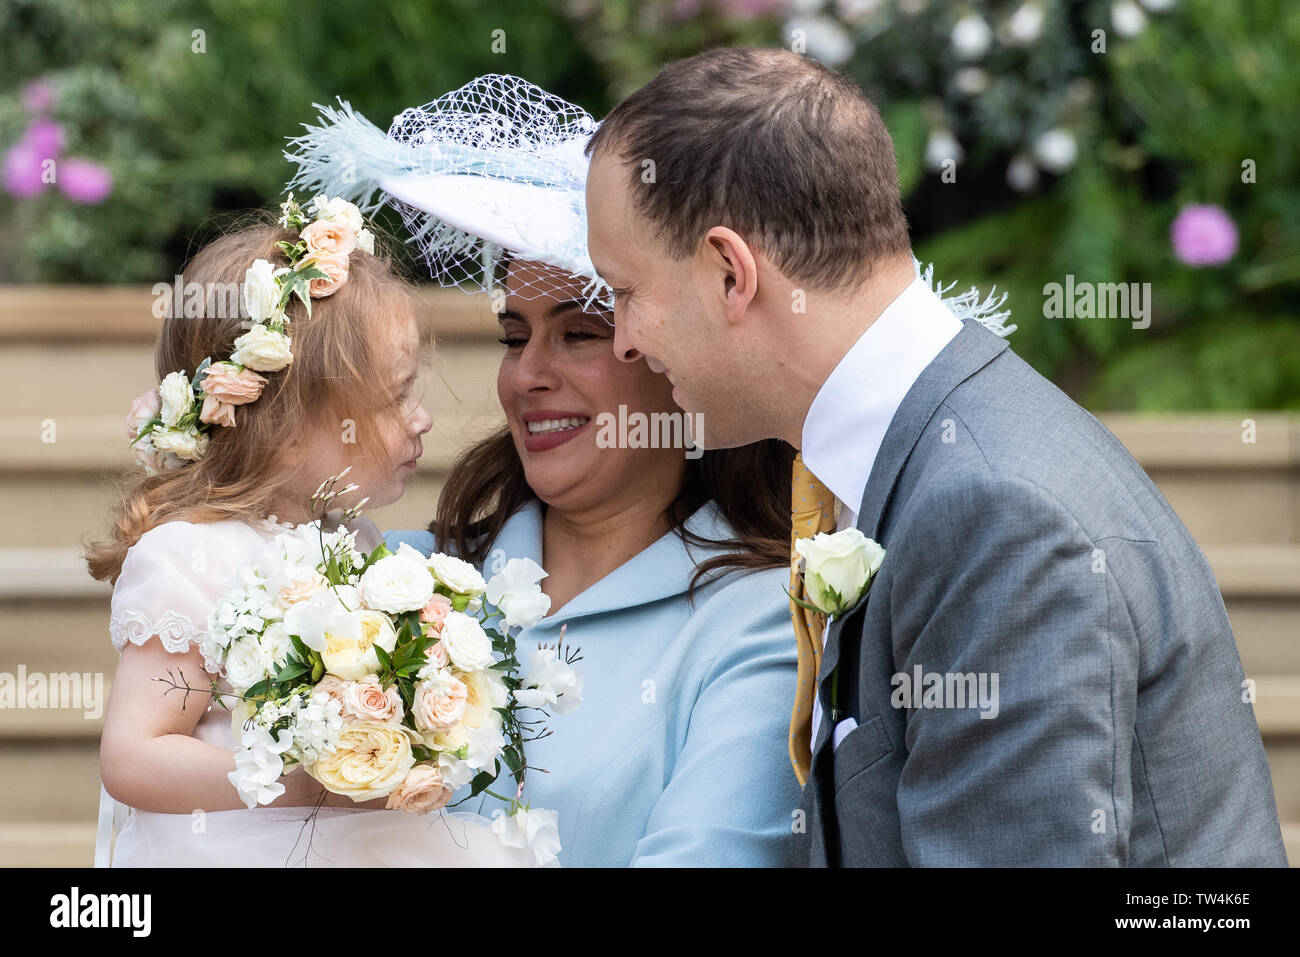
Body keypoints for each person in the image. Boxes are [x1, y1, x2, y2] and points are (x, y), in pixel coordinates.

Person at [582, 46, 1289, 867]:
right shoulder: (918, 451)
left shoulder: (994, 511)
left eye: (625, 292)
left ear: (731, 273)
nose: (623, 340)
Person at [288, 76, 805, 865]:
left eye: (579, 334)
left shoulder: (758, 618)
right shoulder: (394, 577)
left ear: (674, 353)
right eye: (512, 335)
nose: (526, 373)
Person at [88, 198, 534, 867]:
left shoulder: (353, 540)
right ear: (287, 434)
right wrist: (299, 782)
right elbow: (134, 756)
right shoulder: (190, 553)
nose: (422, 420)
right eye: (393, 399)